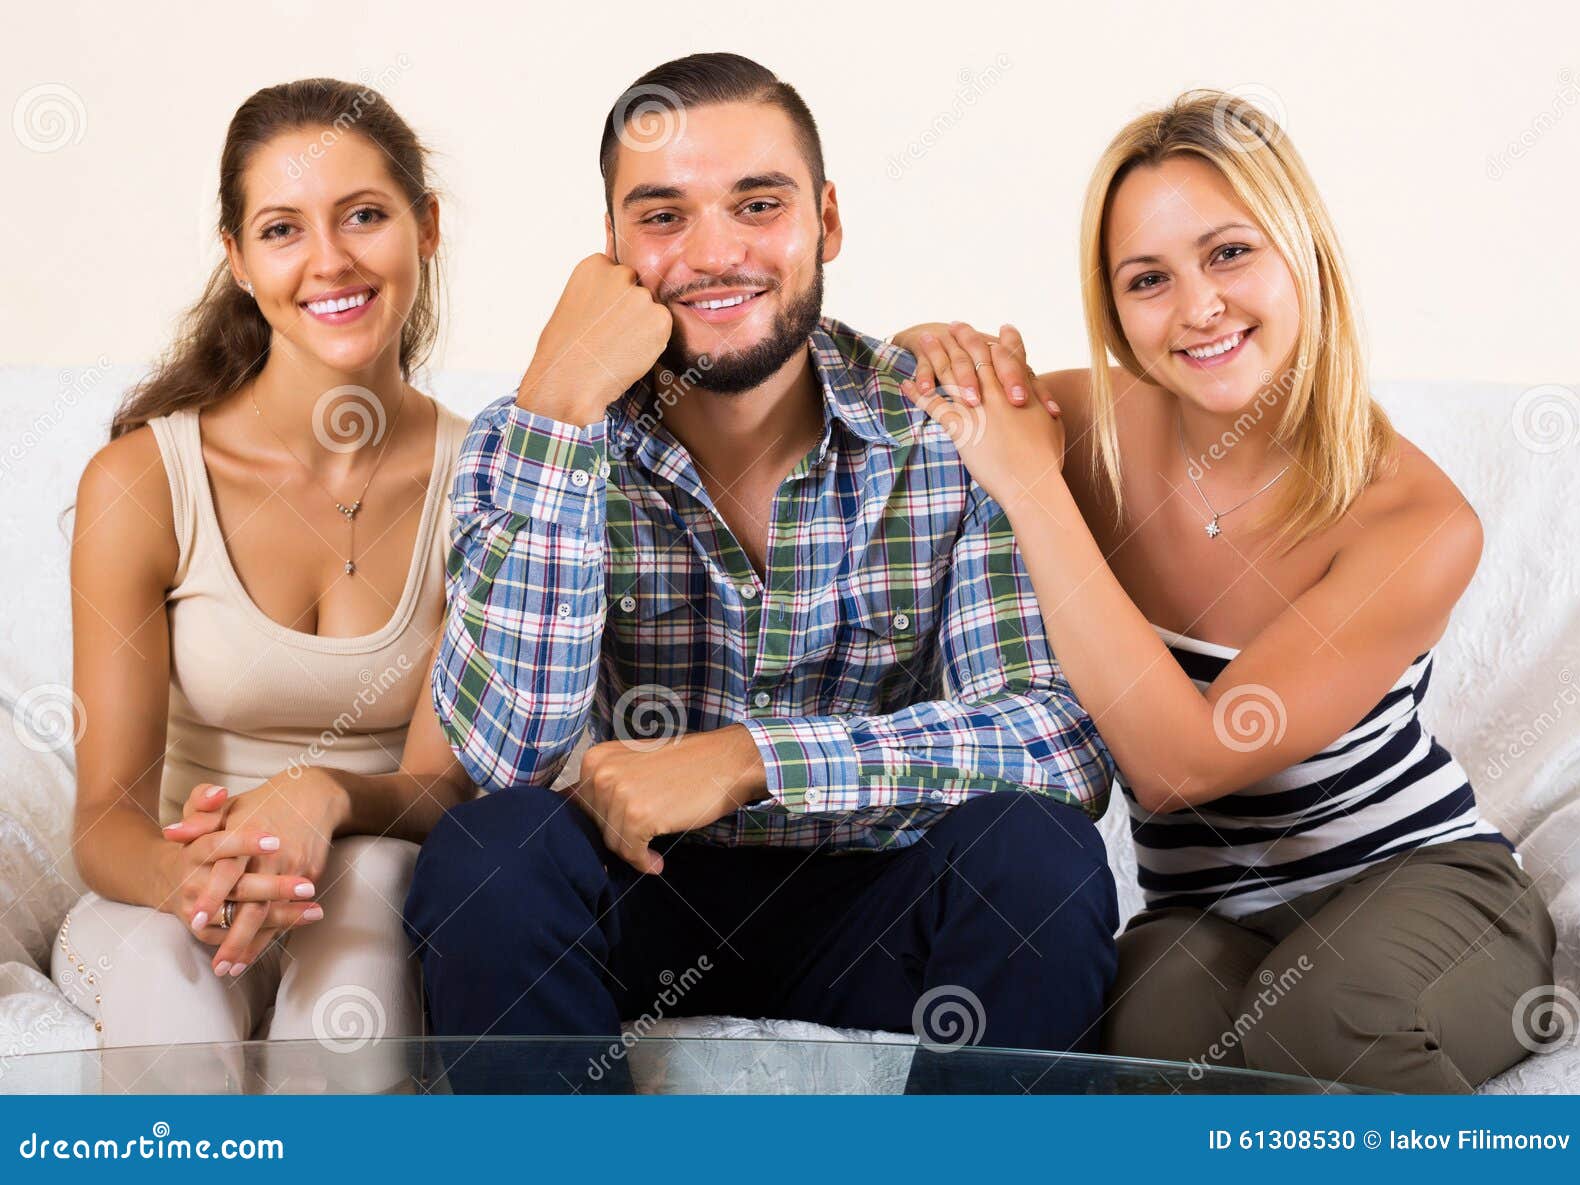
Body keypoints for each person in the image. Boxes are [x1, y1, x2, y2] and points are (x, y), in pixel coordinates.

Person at [403, 53, 1119, 1089]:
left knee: (1039, 858)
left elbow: (1055, 744)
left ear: (825, 222)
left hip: (878, 905)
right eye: (663, 216)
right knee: (489, 858)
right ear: (611, 250)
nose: (715, 252)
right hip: (638, 901)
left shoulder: (942, 425)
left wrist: (750, 758)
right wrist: (559, 404)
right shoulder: (534, 438)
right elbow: (500, 756)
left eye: (757, 203)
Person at [893, 90, 1556, 1093]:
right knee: (1149, 1048)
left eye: (1229, 253)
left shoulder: (1415, 523)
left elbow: (1181, 765)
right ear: (1113, 308)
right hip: (1199, 916)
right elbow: (892, 381)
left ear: (1303, 253)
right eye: (1146, 278)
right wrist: (931, 346)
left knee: (1333, 1021)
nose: (1197, 307)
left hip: (1422, 883)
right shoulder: (1090, 423)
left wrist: (1029, 485)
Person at [57, 78, 474, 1087]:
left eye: (364, 217)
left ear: (423, 229)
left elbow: (442, 784)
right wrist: (191, 875)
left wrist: (316, 793)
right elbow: (106, 813)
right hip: (171, 876)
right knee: (166, 976)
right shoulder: (143, 482)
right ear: (238, 260)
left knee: (360, 951)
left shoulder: (485, 479)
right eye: (283, 230)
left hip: (376, 854)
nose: (329, 262)